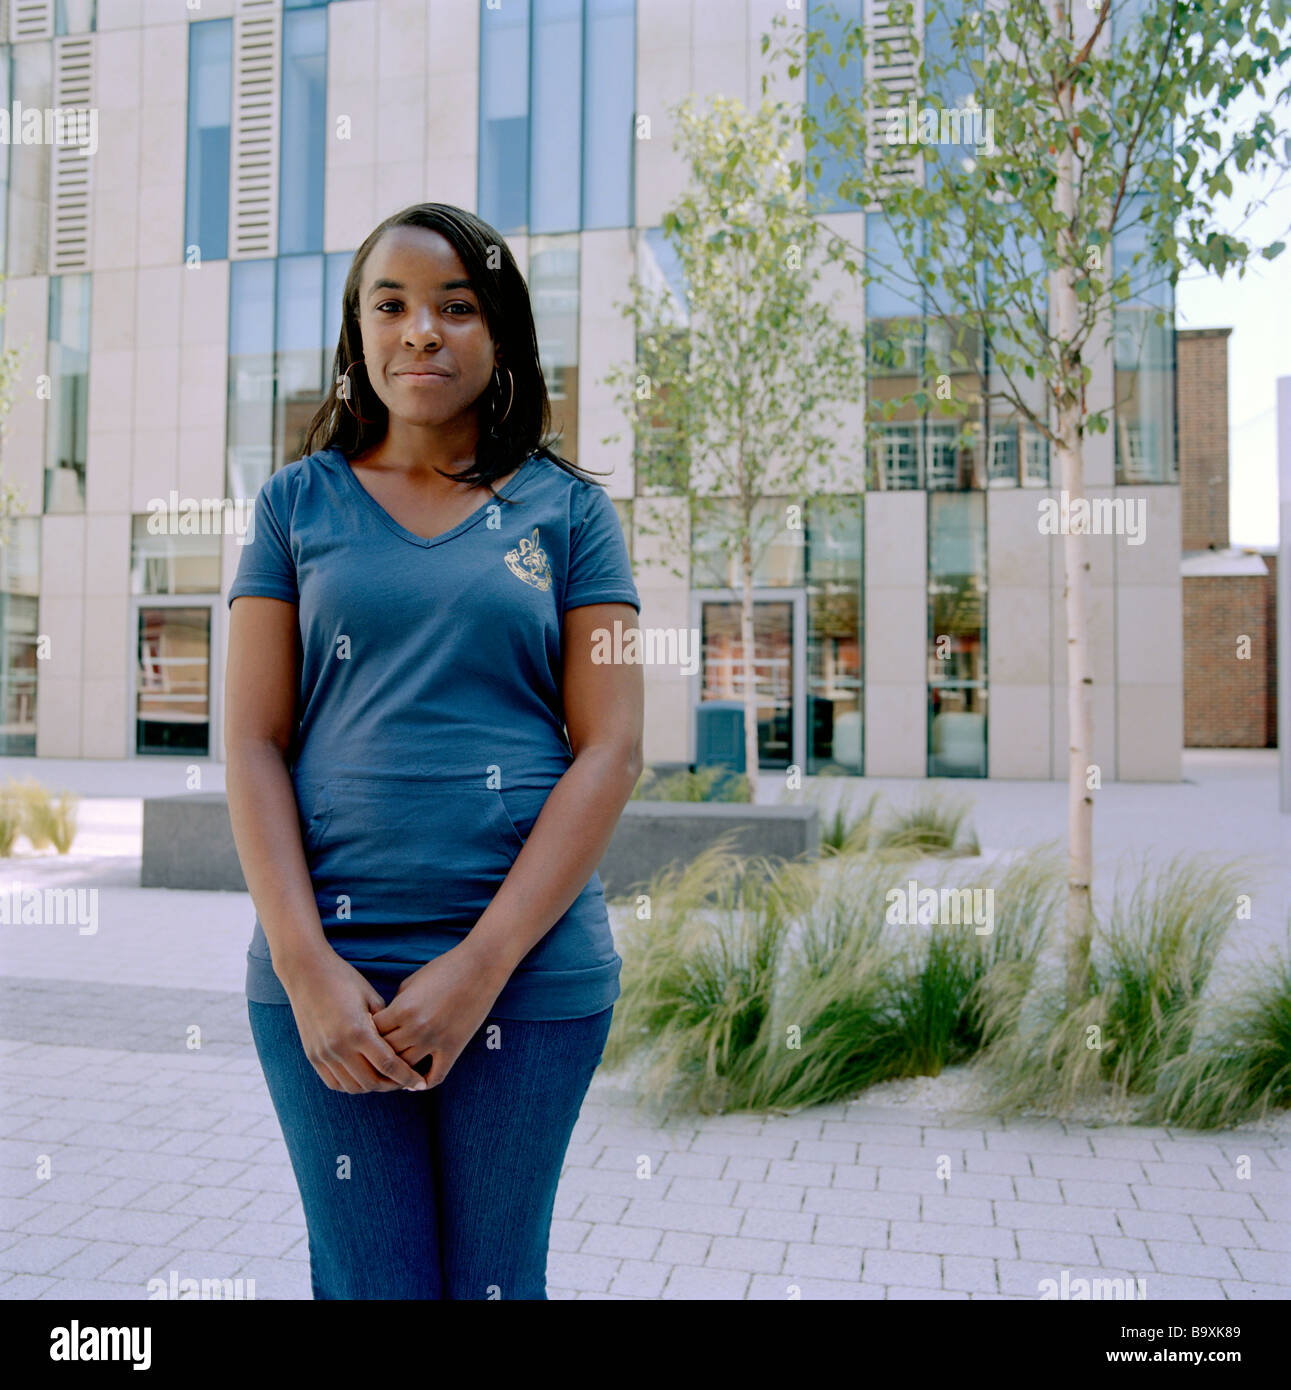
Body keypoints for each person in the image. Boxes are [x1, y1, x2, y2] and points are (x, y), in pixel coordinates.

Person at [223, 202, 644, 1299]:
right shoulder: (292, 505)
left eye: (457, 306)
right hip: (331, 979)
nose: (421, 330)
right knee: (372, 1283)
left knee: (496, 1281)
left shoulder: (570, 512)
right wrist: (306, 966)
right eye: (392, 305)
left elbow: (610, 750)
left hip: (529, 977)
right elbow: (253, 744)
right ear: (357, 332)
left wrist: (480, 967)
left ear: (500, 333)